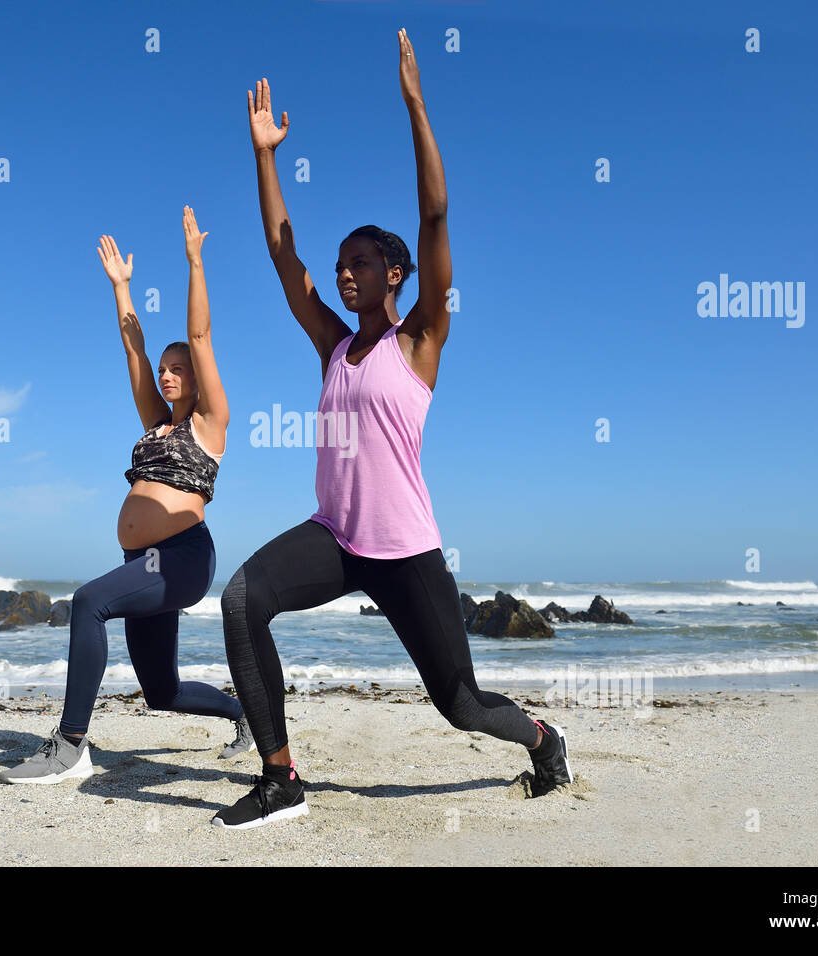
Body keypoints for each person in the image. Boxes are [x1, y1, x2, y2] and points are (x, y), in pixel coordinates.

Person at [214, 31, 571, 828]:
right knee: (241, 599)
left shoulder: (420, 342)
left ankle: (544, 741)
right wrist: (266, 156)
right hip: (336, 537)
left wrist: (415, 105)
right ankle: (281, 779)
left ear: (396, 274)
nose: (344, 273)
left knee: (462, 704)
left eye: (360, 263)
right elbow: (283, 259)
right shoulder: (333, 346)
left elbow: (437, 212)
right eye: (340, 264)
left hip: (405, 550)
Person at [0, 206, 253, 784]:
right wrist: (123, 290)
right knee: (161, 693)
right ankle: (243, 713)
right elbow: (132, 350)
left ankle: (70, 746)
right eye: (164, 370)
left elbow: (199, 334)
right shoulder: (154, 423)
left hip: (183, 557)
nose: (167, 375)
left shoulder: (210, 425)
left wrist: (194, 263)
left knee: (89, 602)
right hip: (141, 562)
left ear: (197, 377)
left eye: (178, 370)